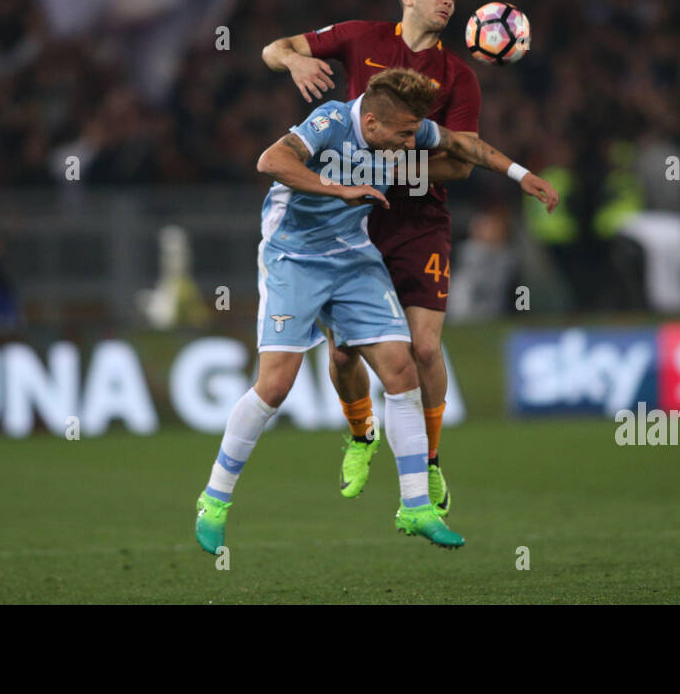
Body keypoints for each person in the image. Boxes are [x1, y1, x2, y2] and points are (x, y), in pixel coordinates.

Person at [195, 69, 557, 552]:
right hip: (292, 258)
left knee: (401, 368)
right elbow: (271, 160)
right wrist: (338, 189)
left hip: (352, 259)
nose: (413, 144)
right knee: (276, 384)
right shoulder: (329, 121)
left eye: (415, 133)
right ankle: (215, 500)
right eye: (405, 135)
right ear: (371, 122)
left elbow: (461, 146)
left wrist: (521, 175)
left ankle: (415, 507)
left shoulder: (408, 128)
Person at [260, 0, 479, 514]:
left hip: (419, 220)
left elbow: (462, 165)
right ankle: (361, 436)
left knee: (424, 347)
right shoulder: (361, 37)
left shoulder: (458, 76)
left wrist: (394, 168)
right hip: (351, 222)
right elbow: (273, 47)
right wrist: (294, 59)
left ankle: (428, 464)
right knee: (340, 356)